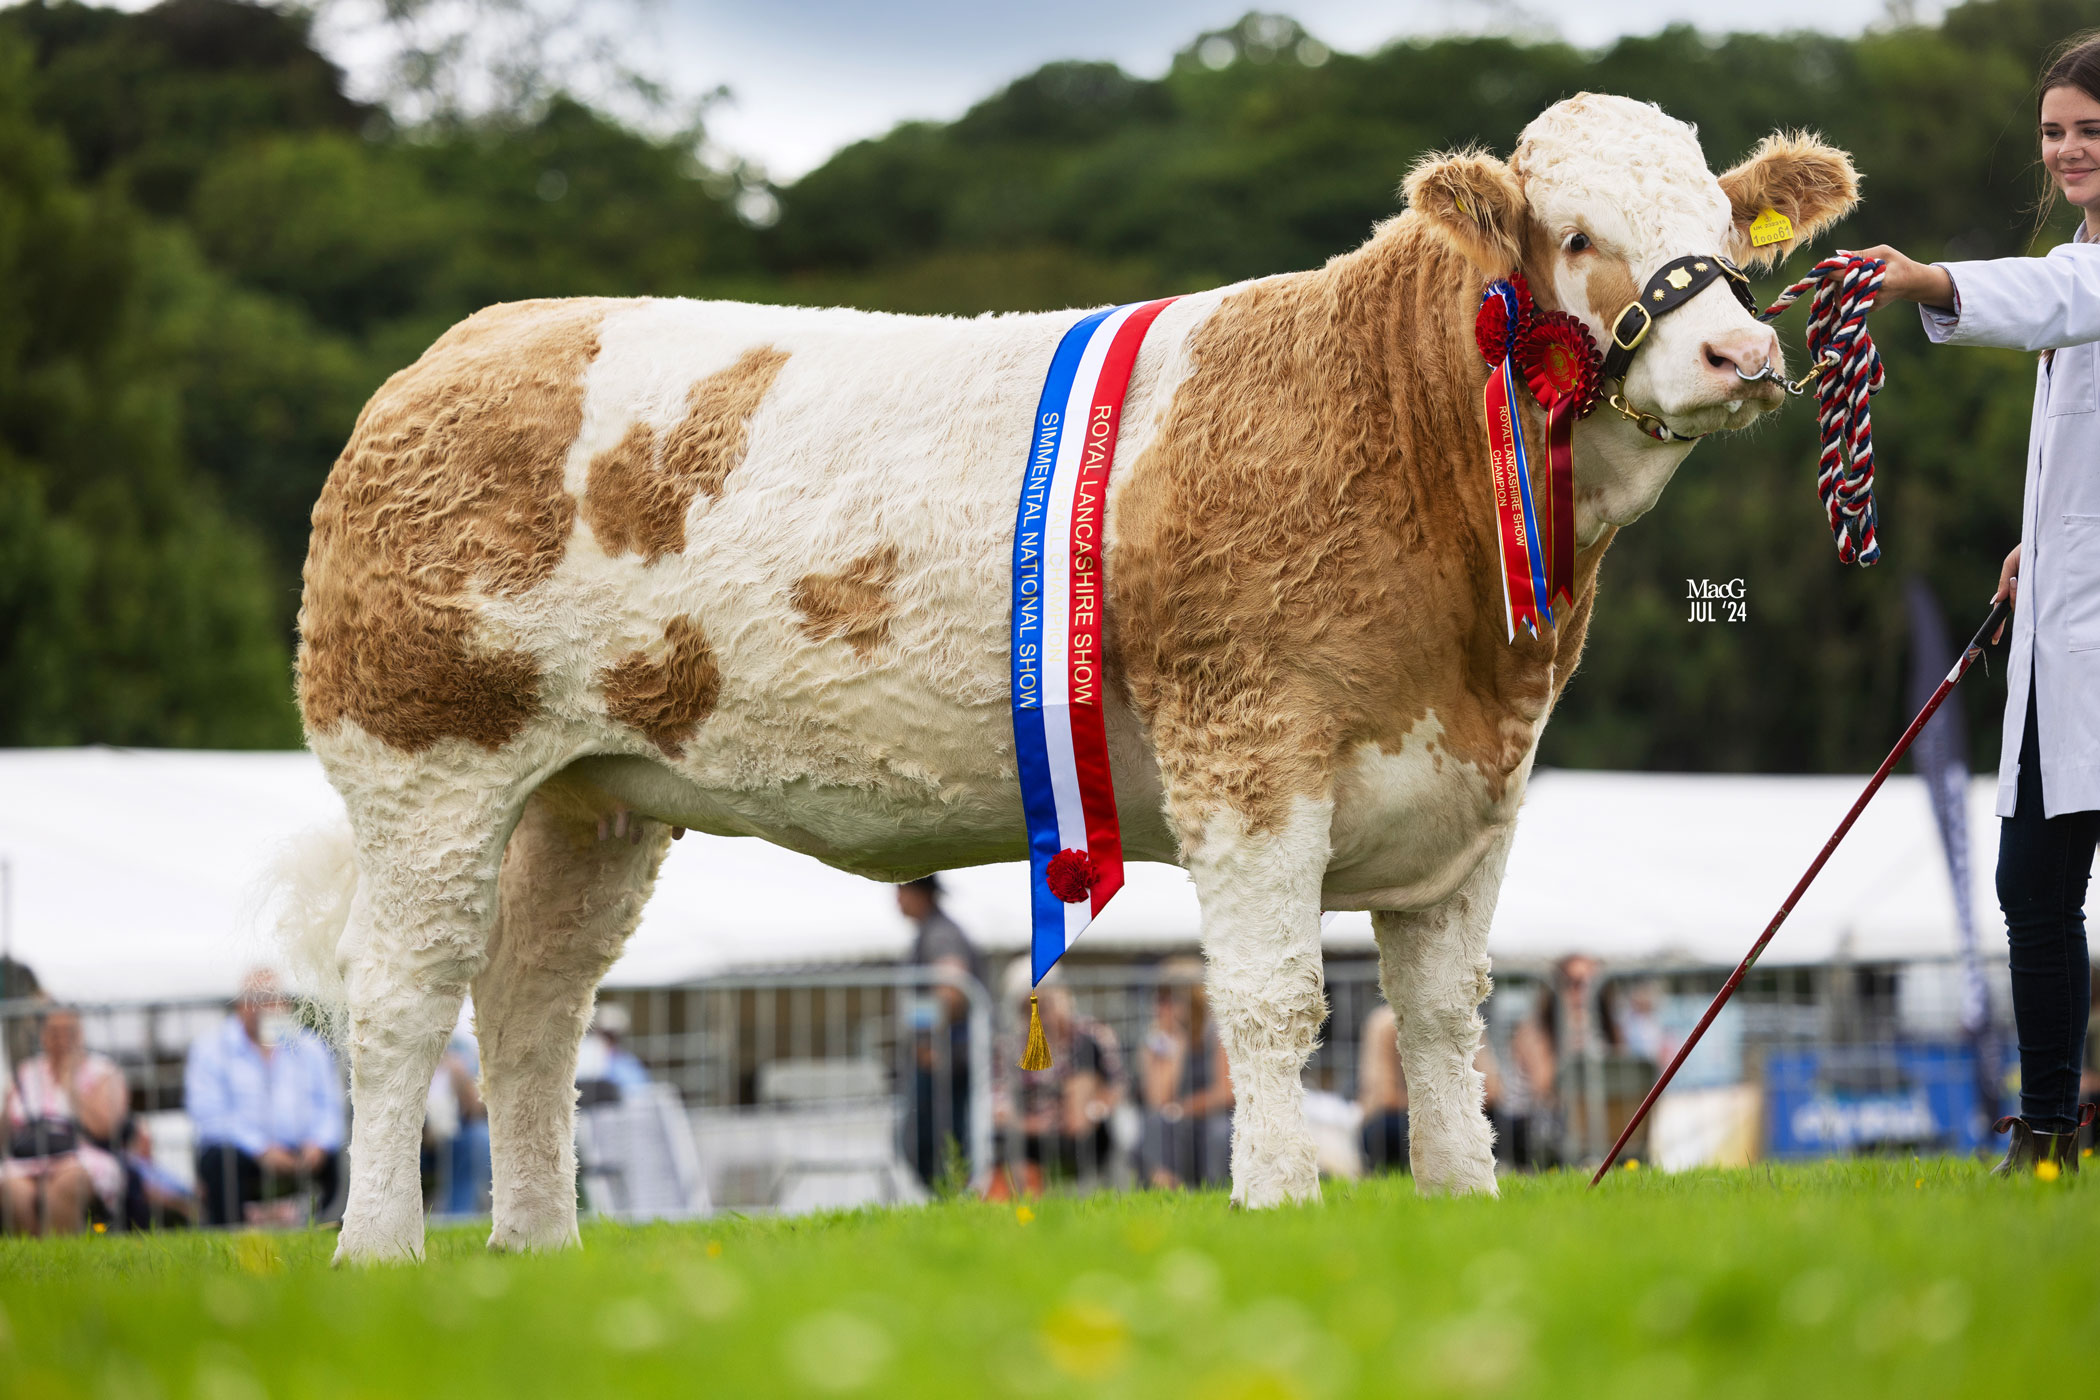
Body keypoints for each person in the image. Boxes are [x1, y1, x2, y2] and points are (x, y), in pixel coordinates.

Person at [1857, 30, 2100, 1174]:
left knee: (2038, 885)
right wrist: (2033, 547)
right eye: (2054, 132)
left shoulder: (2080, 275)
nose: (2066, 150)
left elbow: (2056, 294)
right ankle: (2049, 1129)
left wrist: (1925, 280)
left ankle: (2053, 1127)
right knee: (2032, 884)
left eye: (2090, 131)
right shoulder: (2080, 263)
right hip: (2066, 621)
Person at [185, 970, 345, 1225]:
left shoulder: (310, 1047)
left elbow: (330, 1106)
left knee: (343, 1156)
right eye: (259, 999)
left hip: (303, 1150)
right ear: (240, 1006)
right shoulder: (210, 1049)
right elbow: (209, 1115)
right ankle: (231, 1234)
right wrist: (262, 1149)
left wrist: (319, 1144)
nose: (268, 1007)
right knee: (219, 1160)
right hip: (242, 1153)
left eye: (274, 999)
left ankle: (330, 1228)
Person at [1, 1001, 128, 1235]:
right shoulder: (26, 1072)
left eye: (69, 1032)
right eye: (54, 1032)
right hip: (28, 1157)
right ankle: (34, 1261)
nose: (61, 1039)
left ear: (81, 1033)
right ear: (42, 1036)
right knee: (11, 1189)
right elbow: (6, 1130)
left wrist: (71, 1087)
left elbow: (106, 1128)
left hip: (82, 1155)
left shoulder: (103, 1071)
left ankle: (64, 1259)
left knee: (67, 1183)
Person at [992, 972, 1123, 1191]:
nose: (1045, 1014)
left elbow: (1115, 1086)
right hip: (1030, 1133)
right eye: (1034, 1006)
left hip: (1086, 1131)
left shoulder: (1091, 1037)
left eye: (1049, 1003)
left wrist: (1092, 1111)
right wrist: (1032, 1125)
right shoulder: (1011, 1046)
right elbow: (998, 1104)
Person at [897, 875, 983, 1184]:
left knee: (936, 1140)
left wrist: (928, 1039)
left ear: (921, 893)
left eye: (902, 889)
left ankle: (953, 1199)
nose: (897, 899)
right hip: (945, 1055)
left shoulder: (940, 933)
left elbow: (952, 990)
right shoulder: (934, 930)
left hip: (944, 1057)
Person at [1356, 1003, 1503, 1175]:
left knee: (1500, 1122)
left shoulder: (1464, 1018)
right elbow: (1384, 1098)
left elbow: (1492, 1091)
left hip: (1451, 1116)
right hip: (1405, 1118)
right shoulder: (1385, 1023)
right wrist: (1443, 1103)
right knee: (1383, 1129)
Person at [1136, 959, 1233, 1189]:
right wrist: (1174, 1048)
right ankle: (1168, 1191)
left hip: (1220, 1115)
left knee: (1217, 1132)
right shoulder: (1163, 1040)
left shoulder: (1219, 1032)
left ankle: (1216, 1192)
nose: (1162, 1008)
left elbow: (1225, 1093)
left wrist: (1183, 1108)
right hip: (1184, 1116)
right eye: (1160, 1000)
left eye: (1170, 999)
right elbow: (1157, 1100)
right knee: (1155, 1123)